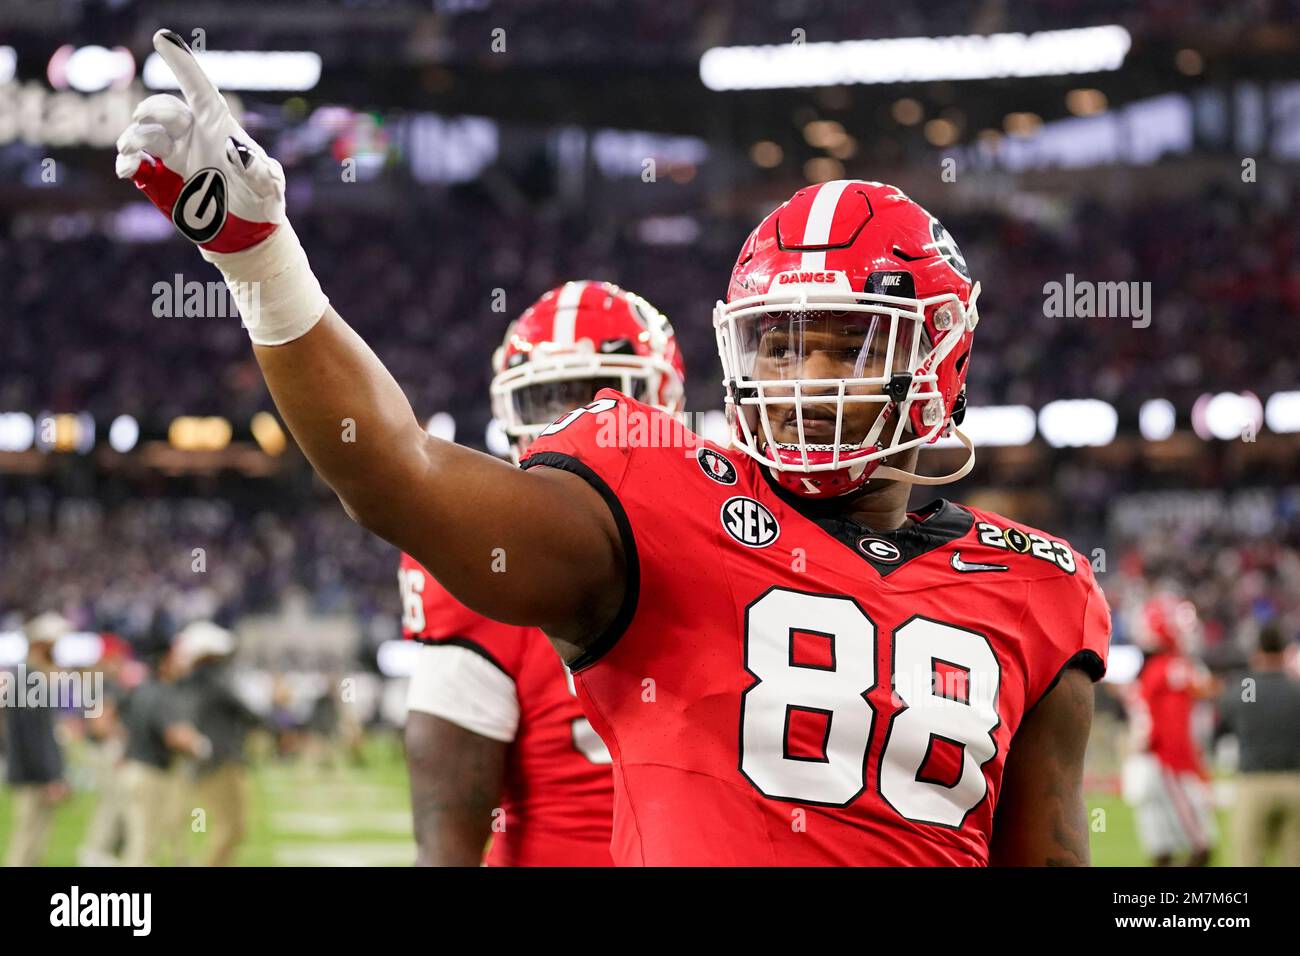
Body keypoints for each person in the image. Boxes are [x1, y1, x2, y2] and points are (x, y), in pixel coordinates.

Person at [116, 33, 1111, 865]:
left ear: (939, 356)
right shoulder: (657, 496)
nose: (804, 379)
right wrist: (258, 259)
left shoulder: (1041, 589)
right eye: (780, 342)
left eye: (847, 345)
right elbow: (396, 473)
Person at [401, 281, 681, 865]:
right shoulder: (485, 556)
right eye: (546, 403)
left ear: (663, 402)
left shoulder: (730, 527)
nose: (571, 429)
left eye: (596, 400)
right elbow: (445, 843)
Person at [1122, 594, 1218, 866]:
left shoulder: (1151, 671)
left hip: (1147, 758)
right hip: (1164, 759)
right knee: (1199, 840)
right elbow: (1172, 724)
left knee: (1162, 843)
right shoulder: (1168, 669)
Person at [174, 621, 262, 866]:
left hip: (204, 760)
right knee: (231, 828)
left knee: (228, 828)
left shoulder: (189, 682)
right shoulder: (215, 679)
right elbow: (248, 711)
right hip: (221, 761)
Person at [118, 641, 210, 866]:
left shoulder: (142, 690)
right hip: (151, 773)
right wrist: (199, 745)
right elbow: (172, 734)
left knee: (144, 838)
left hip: (136, 768)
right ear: (164, 663)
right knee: (144, 842)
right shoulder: (161, 693)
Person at [1218, 623, 1300, 866]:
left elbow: (1225, 724)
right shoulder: (1295, 689)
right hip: (1295, 782)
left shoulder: (1246, 688)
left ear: (1257, 652)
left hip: (1254, 782)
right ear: (1286, 652)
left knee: (1249, 859)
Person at [2, 612, 71, 867]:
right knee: (28, 842)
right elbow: (35, 737)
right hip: (33, 777)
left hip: (31, 774)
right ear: (41, 645)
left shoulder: (26, 677)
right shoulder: (30, 680)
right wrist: (50, 777)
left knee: (33, 842)